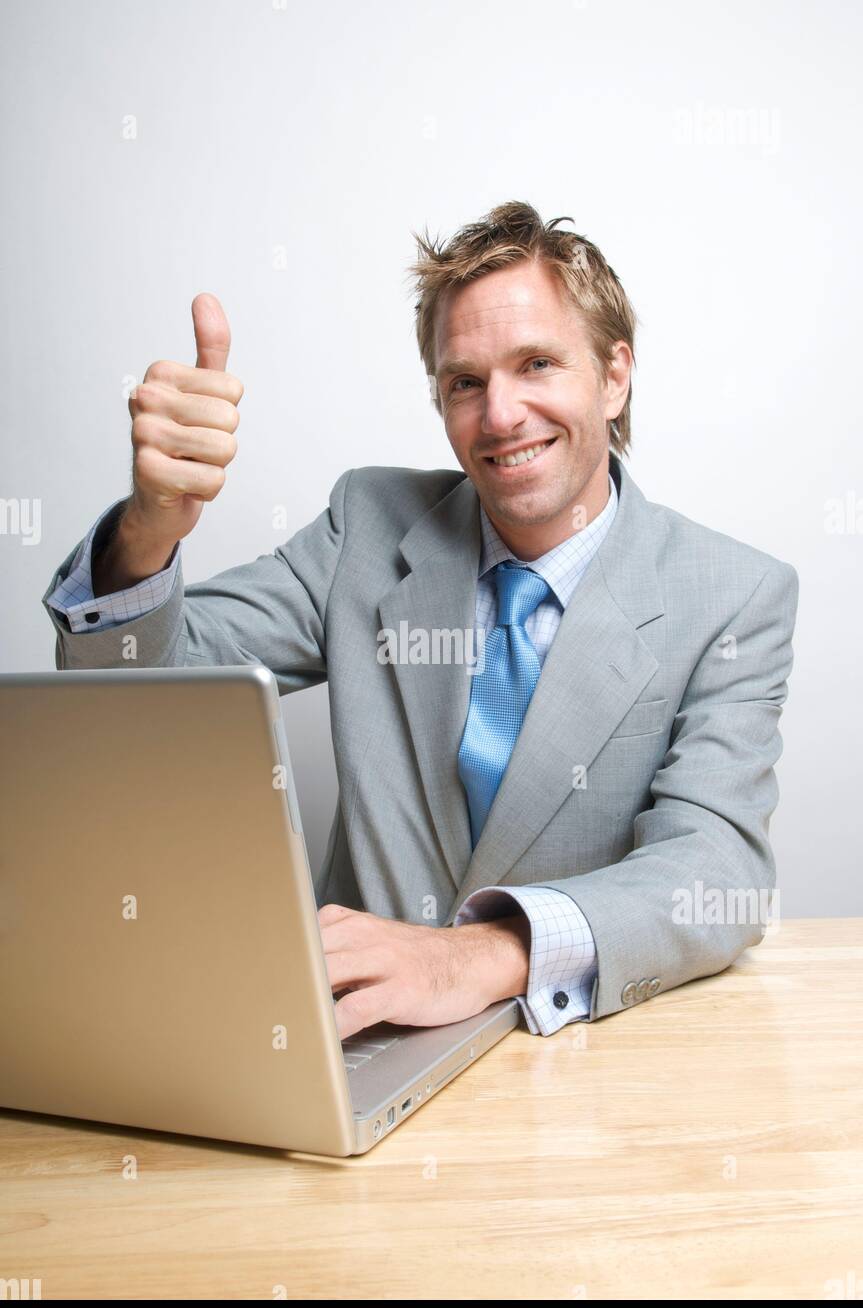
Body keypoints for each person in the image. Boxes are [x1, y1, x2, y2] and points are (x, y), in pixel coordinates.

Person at [42, 201, 799, 1042]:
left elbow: (715, 868)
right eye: (464, 381)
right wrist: (151, 527)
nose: (500, 414)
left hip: (587, 1060)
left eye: (537, 363)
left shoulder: (734, 593)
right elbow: (137, 690)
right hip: (353, 1045)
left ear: (614, 374)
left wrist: (474, 956)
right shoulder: (366, 525)